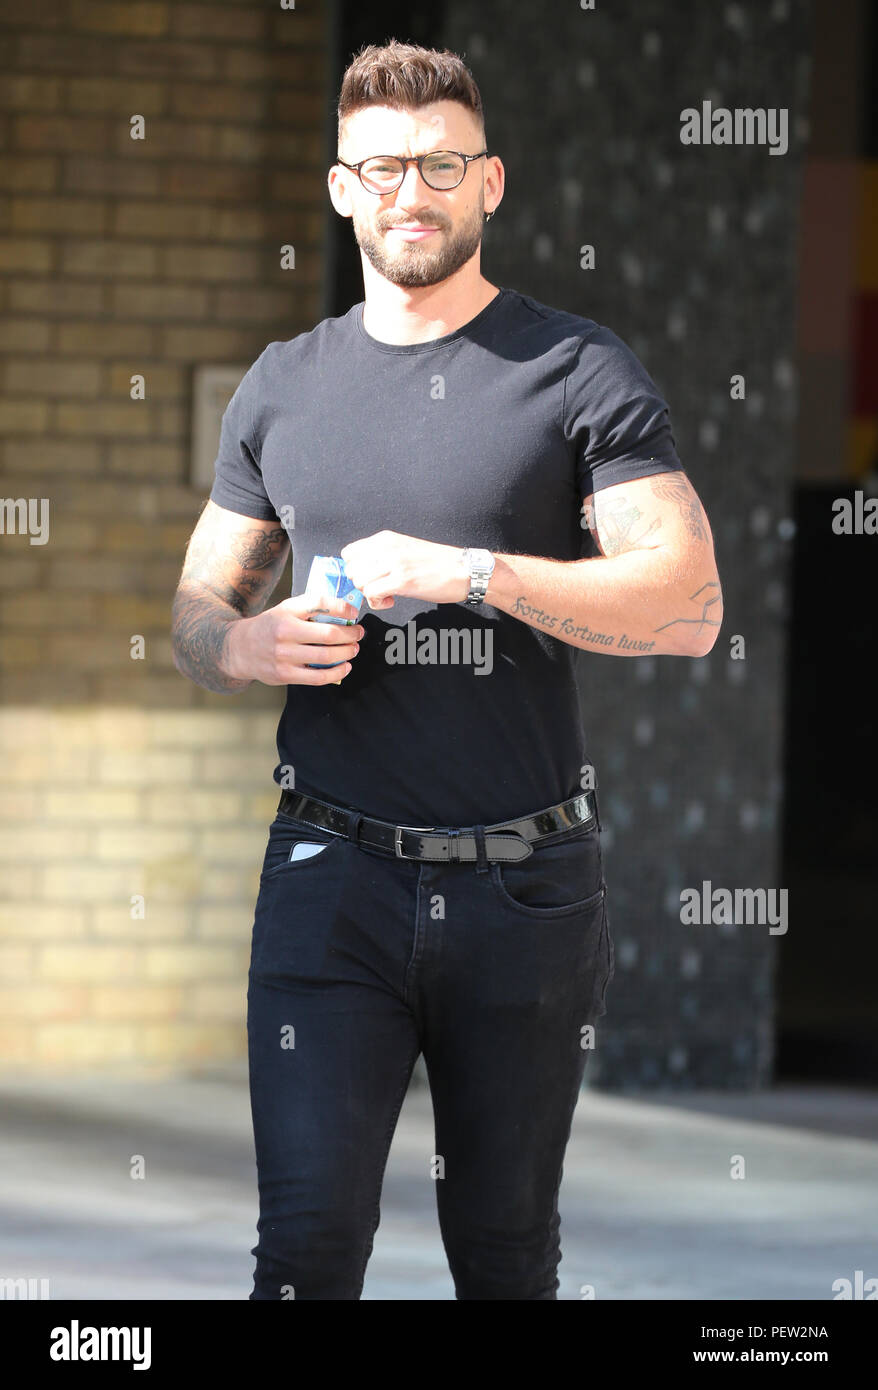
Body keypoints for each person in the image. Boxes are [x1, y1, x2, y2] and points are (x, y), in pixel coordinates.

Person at [171, 39, 723, 1300]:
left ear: (490, 184)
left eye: (438, 164)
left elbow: (689, 605)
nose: (408, 192)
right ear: (338, 189)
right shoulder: (281, 384)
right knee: (305, 1249)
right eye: (380, 167)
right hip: (327, 877)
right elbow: (198, 604)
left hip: (525, 890)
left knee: (503, 1254)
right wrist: (244, 646)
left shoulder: (575, 371)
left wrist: (472, 574)